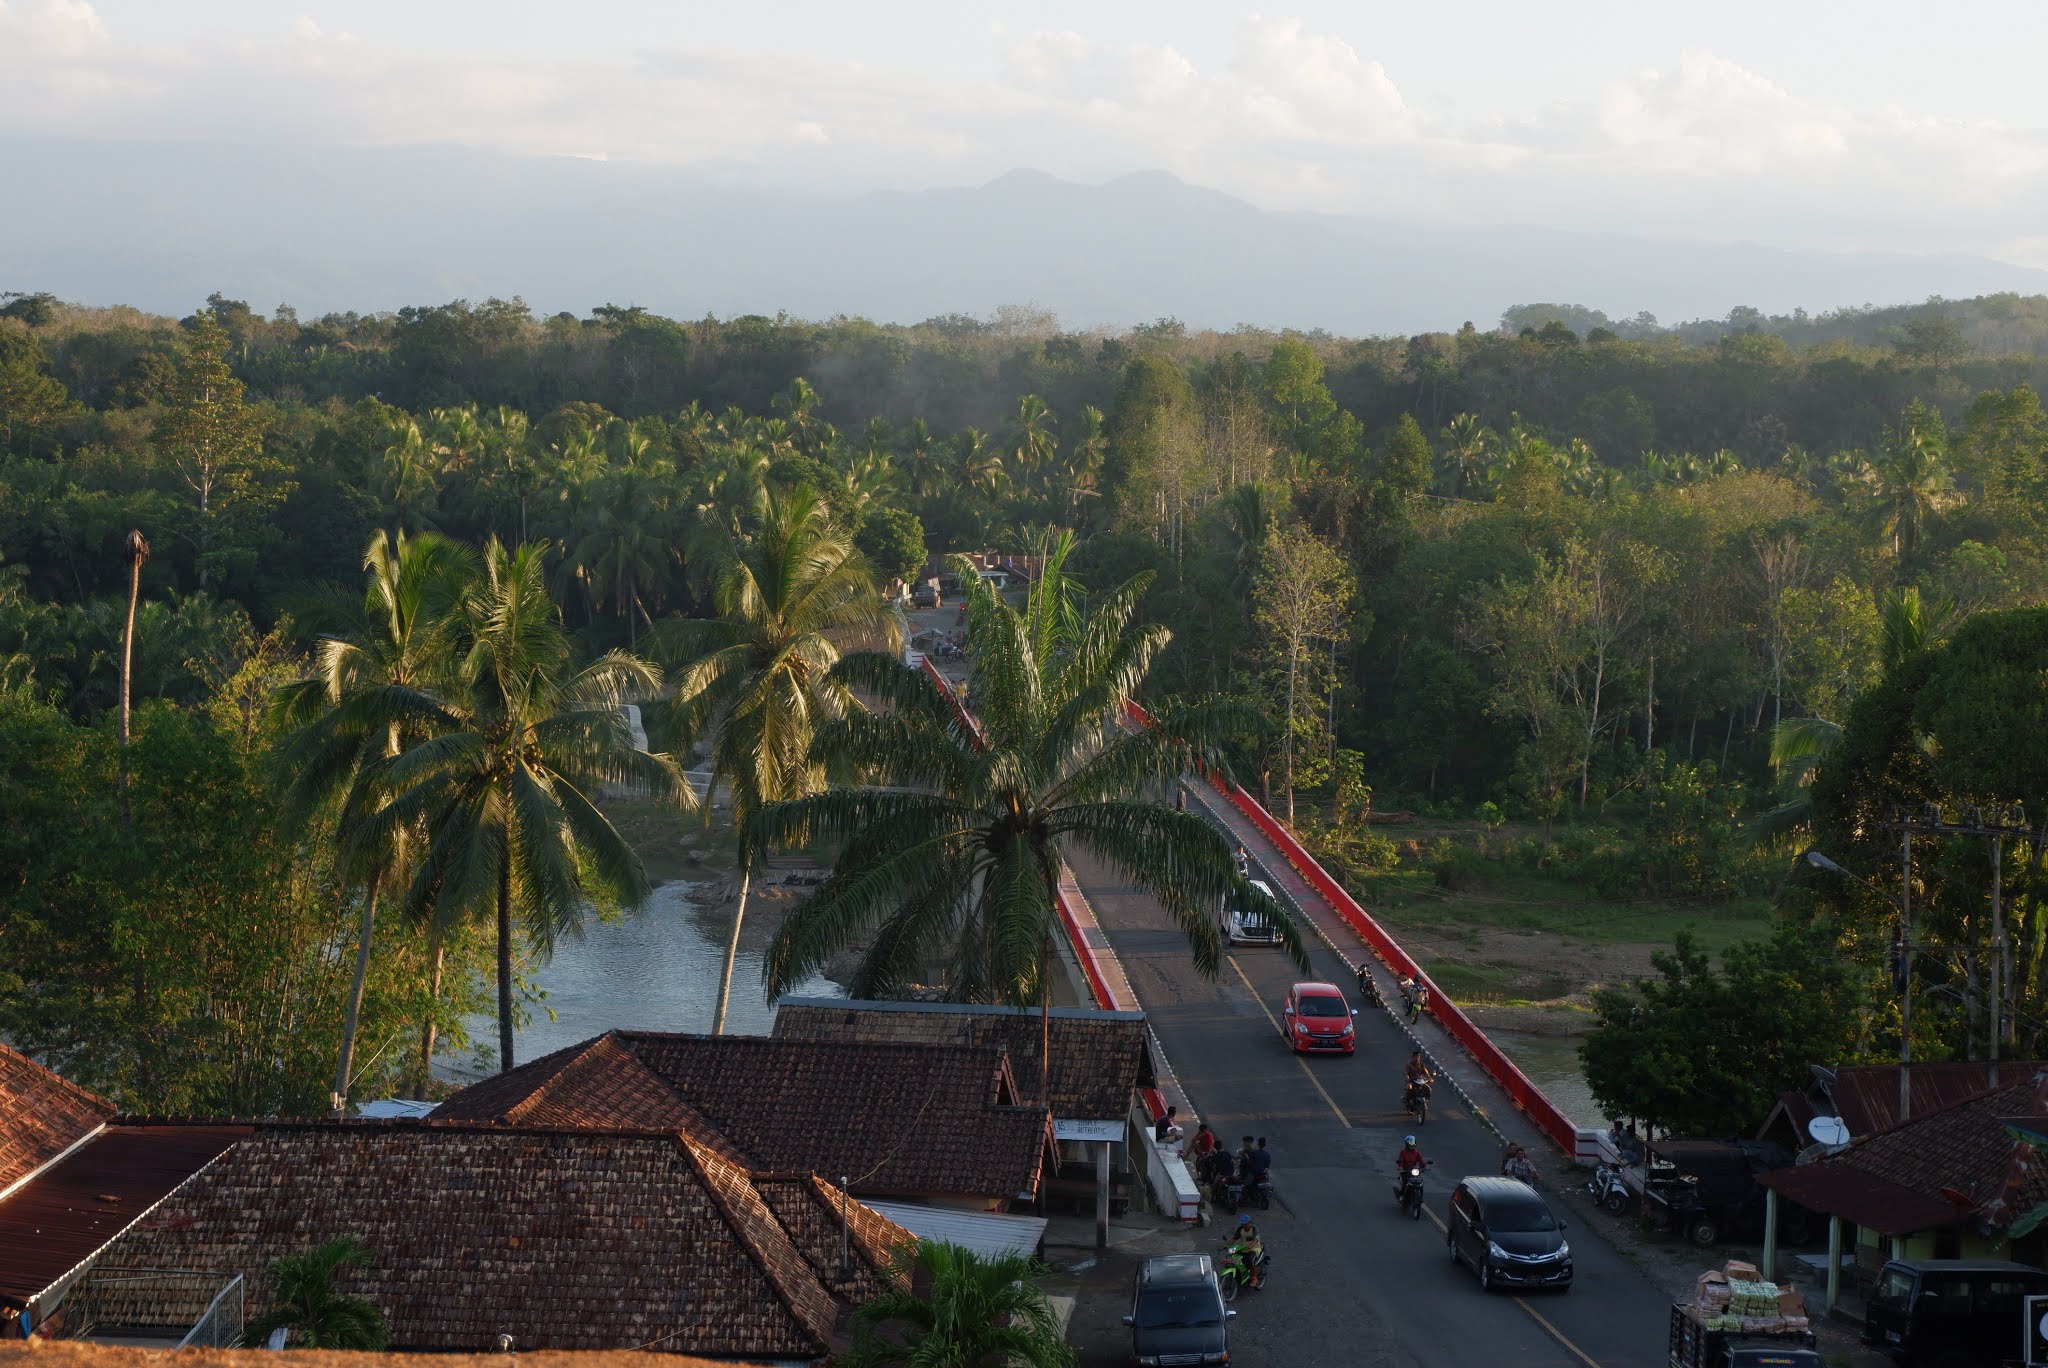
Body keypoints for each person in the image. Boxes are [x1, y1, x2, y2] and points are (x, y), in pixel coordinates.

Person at [1225, 1214, 1264, 1288]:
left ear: (1249, 1223)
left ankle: (1254, 1278)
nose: (1243, 1226)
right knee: (1230, 1255)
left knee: (1250, 1260)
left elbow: (1256, 1238)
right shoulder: (1240, 1228)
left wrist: (1251, 1245)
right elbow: (1234, 1239)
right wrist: (1225, 1245)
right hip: (1243, 1247)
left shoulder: (1254, 1228)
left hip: (1254, 1248)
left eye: (1245, 1224)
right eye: (1242, 1224)